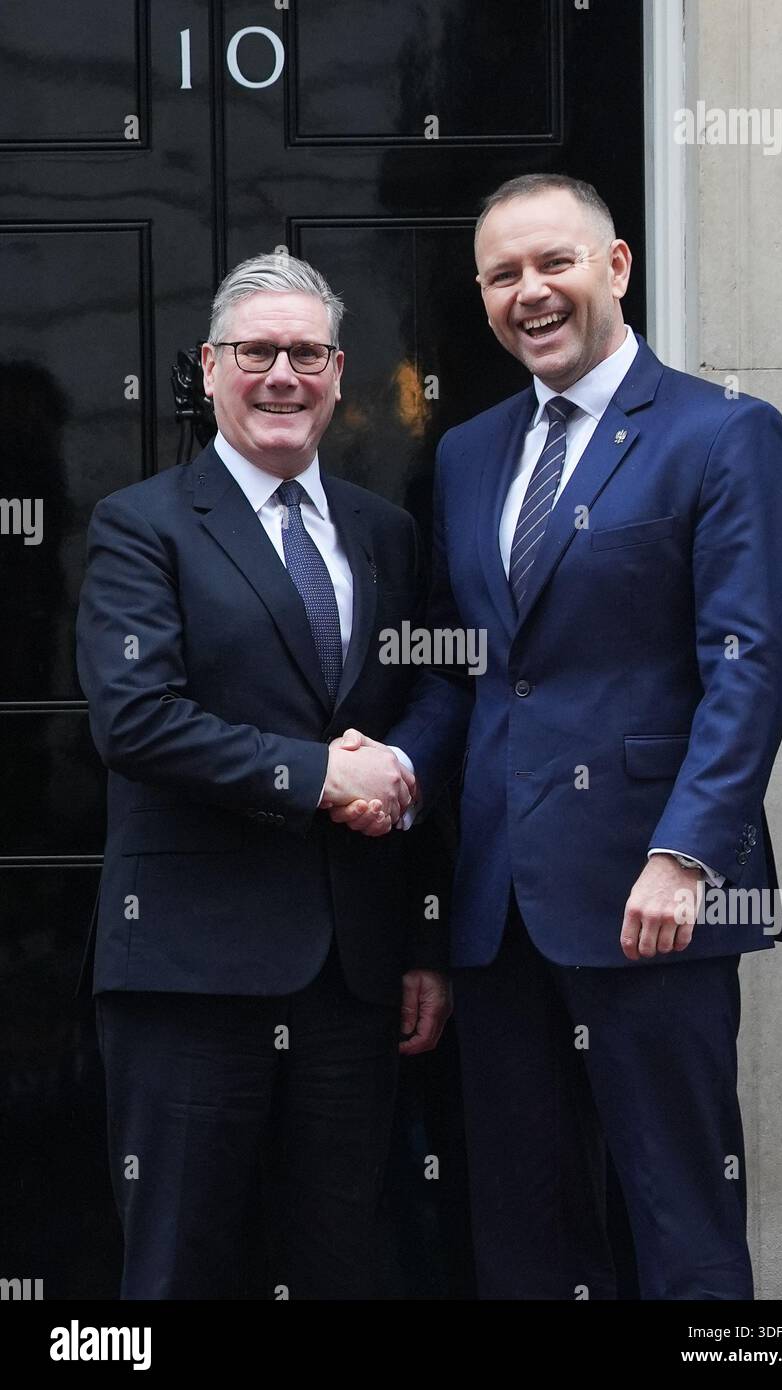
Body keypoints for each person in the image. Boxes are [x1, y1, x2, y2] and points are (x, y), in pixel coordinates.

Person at [332, 174, 782, 1299]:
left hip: (652, 896)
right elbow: (468, 672)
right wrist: (399, 765)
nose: (527, 292)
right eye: (501, 274)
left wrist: (685, 851)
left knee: (678, 1217)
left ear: (616, 267)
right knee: (524, 1229)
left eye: (552, 262)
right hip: (500, 913)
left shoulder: (724, 433)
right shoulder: (465, 455)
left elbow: (746, 670)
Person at [76, 252, 451, 1300]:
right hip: (190, 974)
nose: (280, 374)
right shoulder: (141, 525)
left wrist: (421, 936)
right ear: (208, 367)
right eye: (256, 352)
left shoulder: (386, 534)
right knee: (180, 1265)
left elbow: (419, 708)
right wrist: (314, 778)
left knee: (338, 1261)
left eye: (305, 353)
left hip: (352, 978)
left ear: (337, 375)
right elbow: (136, 719)